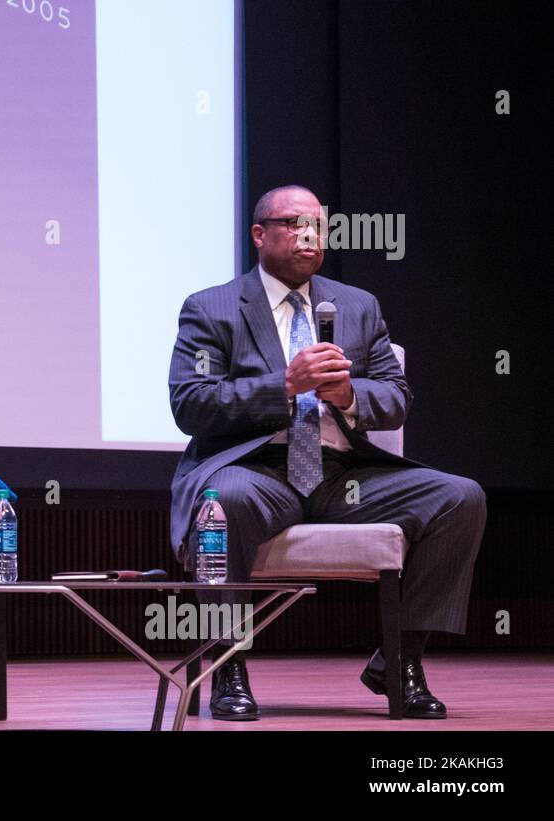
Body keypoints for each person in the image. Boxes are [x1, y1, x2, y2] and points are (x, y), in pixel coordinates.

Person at [167, 184, 486, 720]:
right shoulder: (212, 307)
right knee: (225, 499)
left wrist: (348, 394)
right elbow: (190, 404)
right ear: (259, 233)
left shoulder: (358, 306)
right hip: (257, 471)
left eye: (318, 225)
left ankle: (400, 659)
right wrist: (283, 386)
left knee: (460, 498)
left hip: (345, 478)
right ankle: (228, 662)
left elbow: (396, 397)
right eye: (294, 223)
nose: (309, 235)